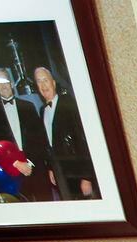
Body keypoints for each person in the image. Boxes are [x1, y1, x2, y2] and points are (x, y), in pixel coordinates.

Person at [0, 67, 49, 201]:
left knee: (46, 203)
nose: (3, 85)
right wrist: (15, 163)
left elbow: (40, 139)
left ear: (11, 82)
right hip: (9, 172)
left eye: (5, 80)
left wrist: (29, 163)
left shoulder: (28, 106)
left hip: (34, 167)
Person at [34, 66, 95, 200]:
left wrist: (86, 177)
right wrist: (51, 168)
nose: (43, 85)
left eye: (46, 80)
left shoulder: (69, 103)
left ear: (54, 83)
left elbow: (83, 139)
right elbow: (49, 142)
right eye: (39, 81)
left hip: (76, 170)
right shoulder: (42, 110)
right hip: (59, 171)